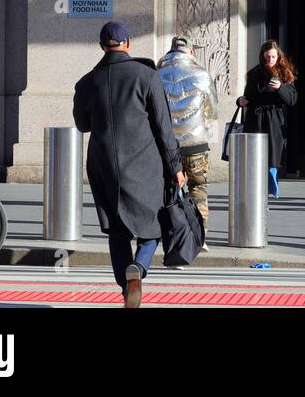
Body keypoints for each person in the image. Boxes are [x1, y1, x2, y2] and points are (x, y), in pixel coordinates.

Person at [72, 22, 185, 308]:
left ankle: (126, 287)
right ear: (128, 43)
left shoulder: (86, 82)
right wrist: (176, 166)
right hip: (144, 164)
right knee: (154, 225)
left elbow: (82, 124)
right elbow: (163, 126)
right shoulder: (147, 76)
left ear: (101, 46)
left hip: (103, 164)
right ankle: (139, 267)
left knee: (117, 231)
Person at [156, 36, 217, 244]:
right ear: (190, 52)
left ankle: (173, 238)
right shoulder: (202, 74)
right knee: (198, 188)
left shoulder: (157, 75)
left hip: (166, 145)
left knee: (168, 190)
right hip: (196, 143)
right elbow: (213, 111)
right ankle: (201, 236)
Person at [238, 40, 298, 198]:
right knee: (254, 156)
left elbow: (292, 99)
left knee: (272, 155)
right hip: (255, 118)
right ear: (262, 57)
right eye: (267, 57)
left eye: (272, 57)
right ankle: (257, 193)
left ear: (278, 57)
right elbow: (248, 96)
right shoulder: (254, 73)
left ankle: (270, 186)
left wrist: (280, 88)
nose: (270, 60)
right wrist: (241, 101)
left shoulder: (285, 74)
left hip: (274, 120)